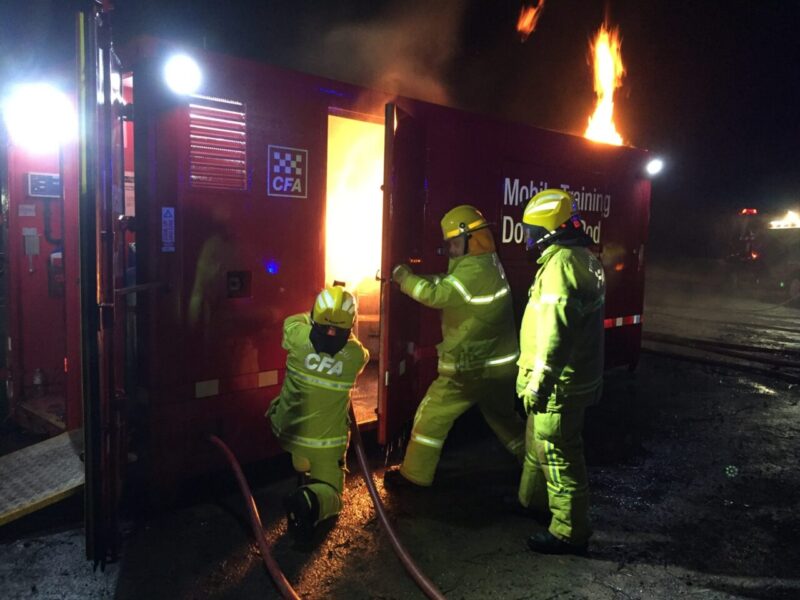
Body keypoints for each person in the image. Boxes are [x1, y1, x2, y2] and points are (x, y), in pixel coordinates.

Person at [384, 205, 526, 489]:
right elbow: (452, 286)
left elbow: (437, 295)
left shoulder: (474, 269)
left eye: (455, 243)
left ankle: (413, 477)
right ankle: (535, 466)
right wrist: (424, 278)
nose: (450, 250)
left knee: (432, 416)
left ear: (473, 238)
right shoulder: (488, 263)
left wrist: (403, 277)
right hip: (498, 367)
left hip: (469, 366)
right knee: (505, 420)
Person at [515, 188, 606, 555]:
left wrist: (539, 383)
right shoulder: (583, 259)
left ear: (550, 231)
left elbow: (556, 333)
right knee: (538, 448)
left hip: (557, 386)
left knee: (558, 453)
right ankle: (533, 504)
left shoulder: (561, 266)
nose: (529, 237)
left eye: (533, 230)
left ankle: (569, 532)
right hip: (570, 380)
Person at [267, 285, 369, 540]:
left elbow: (294, 321)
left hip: (287, 432)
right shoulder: (355, 356)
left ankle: (302, 481)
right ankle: (309, 499)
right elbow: (360, 348)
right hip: (324, 445)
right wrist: (341, 324)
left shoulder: (298, 337)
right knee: (333, 494)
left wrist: (320, 314)